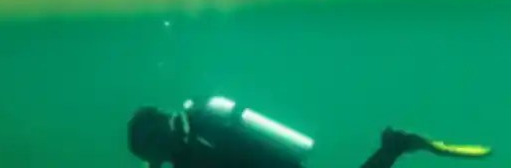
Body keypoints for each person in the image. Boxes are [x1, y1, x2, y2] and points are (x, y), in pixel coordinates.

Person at [127, 97, 487, 168]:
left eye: (150, 158)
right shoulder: (199, 130)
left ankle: (393, 148)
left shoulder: (193, 147)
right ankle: (393, 147)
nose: (153, 166)